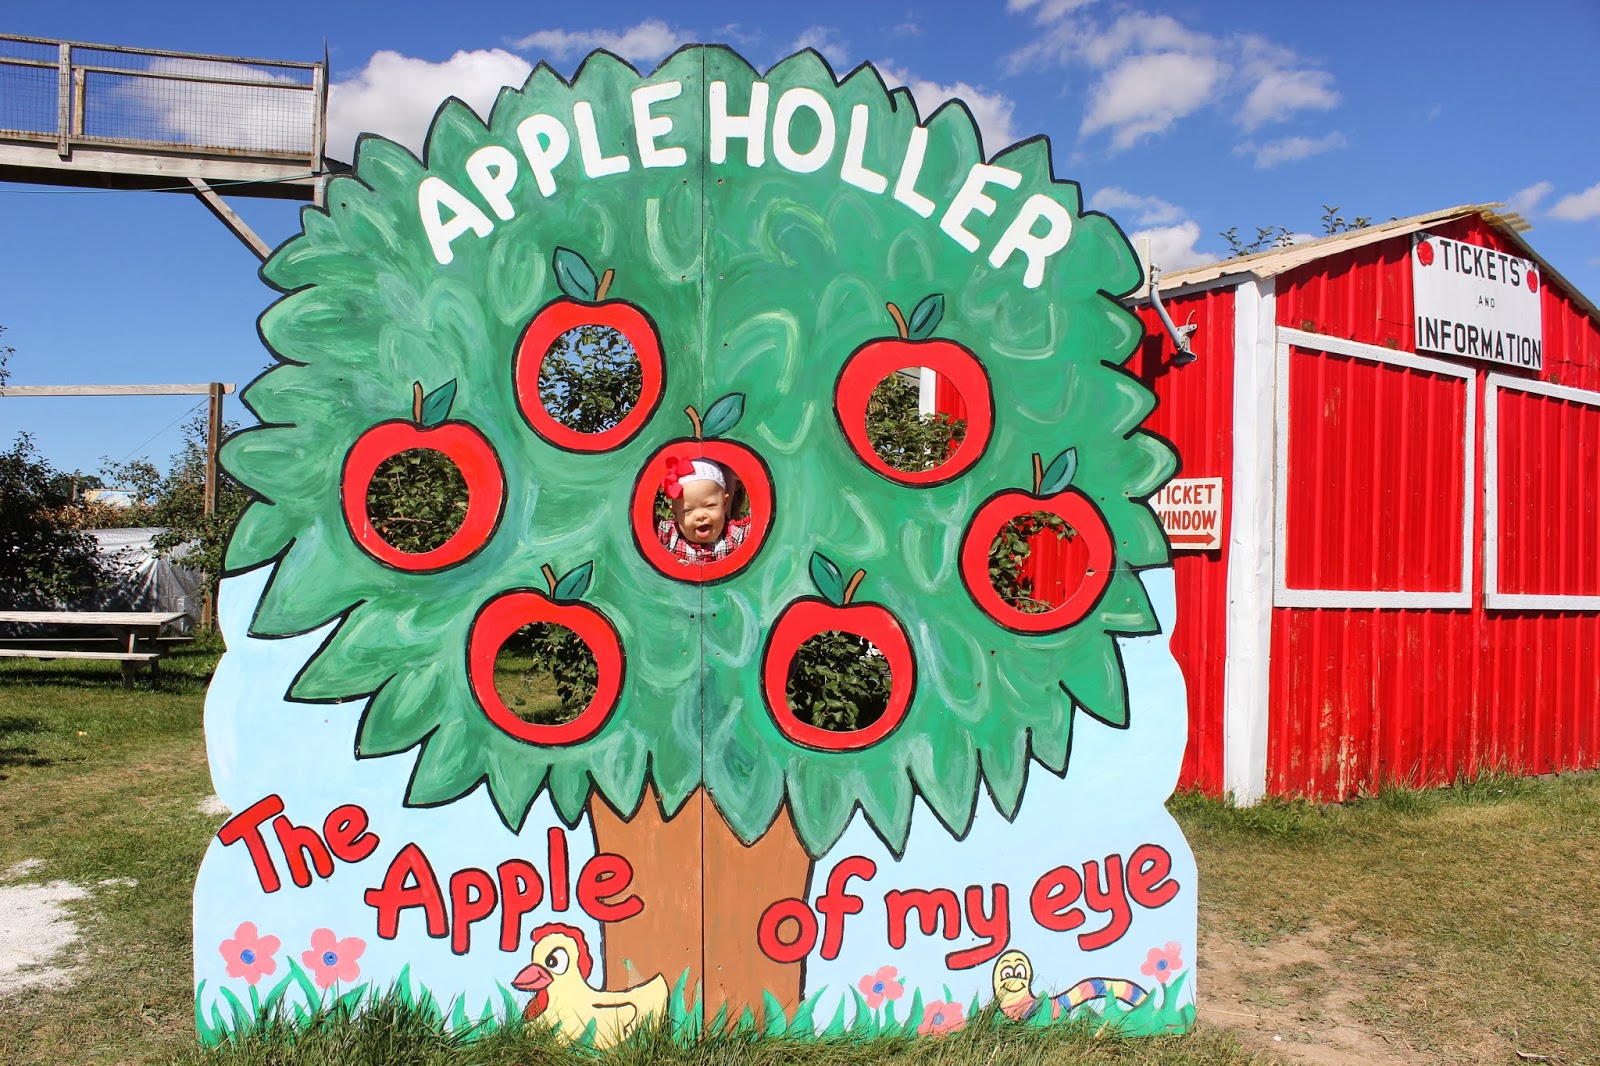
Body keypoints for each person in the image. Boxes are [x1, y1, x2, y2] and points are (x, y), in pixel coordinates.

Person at [656, 456, 751, 563]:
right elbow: (639, 521)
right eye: (688, 510)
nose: (700, 515)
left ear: (724, 504)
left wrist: (750, 479)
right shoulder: (670, 535)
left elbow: (763, 523)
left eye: (710, 505)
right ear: (675, 514)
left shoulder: (733, 535)